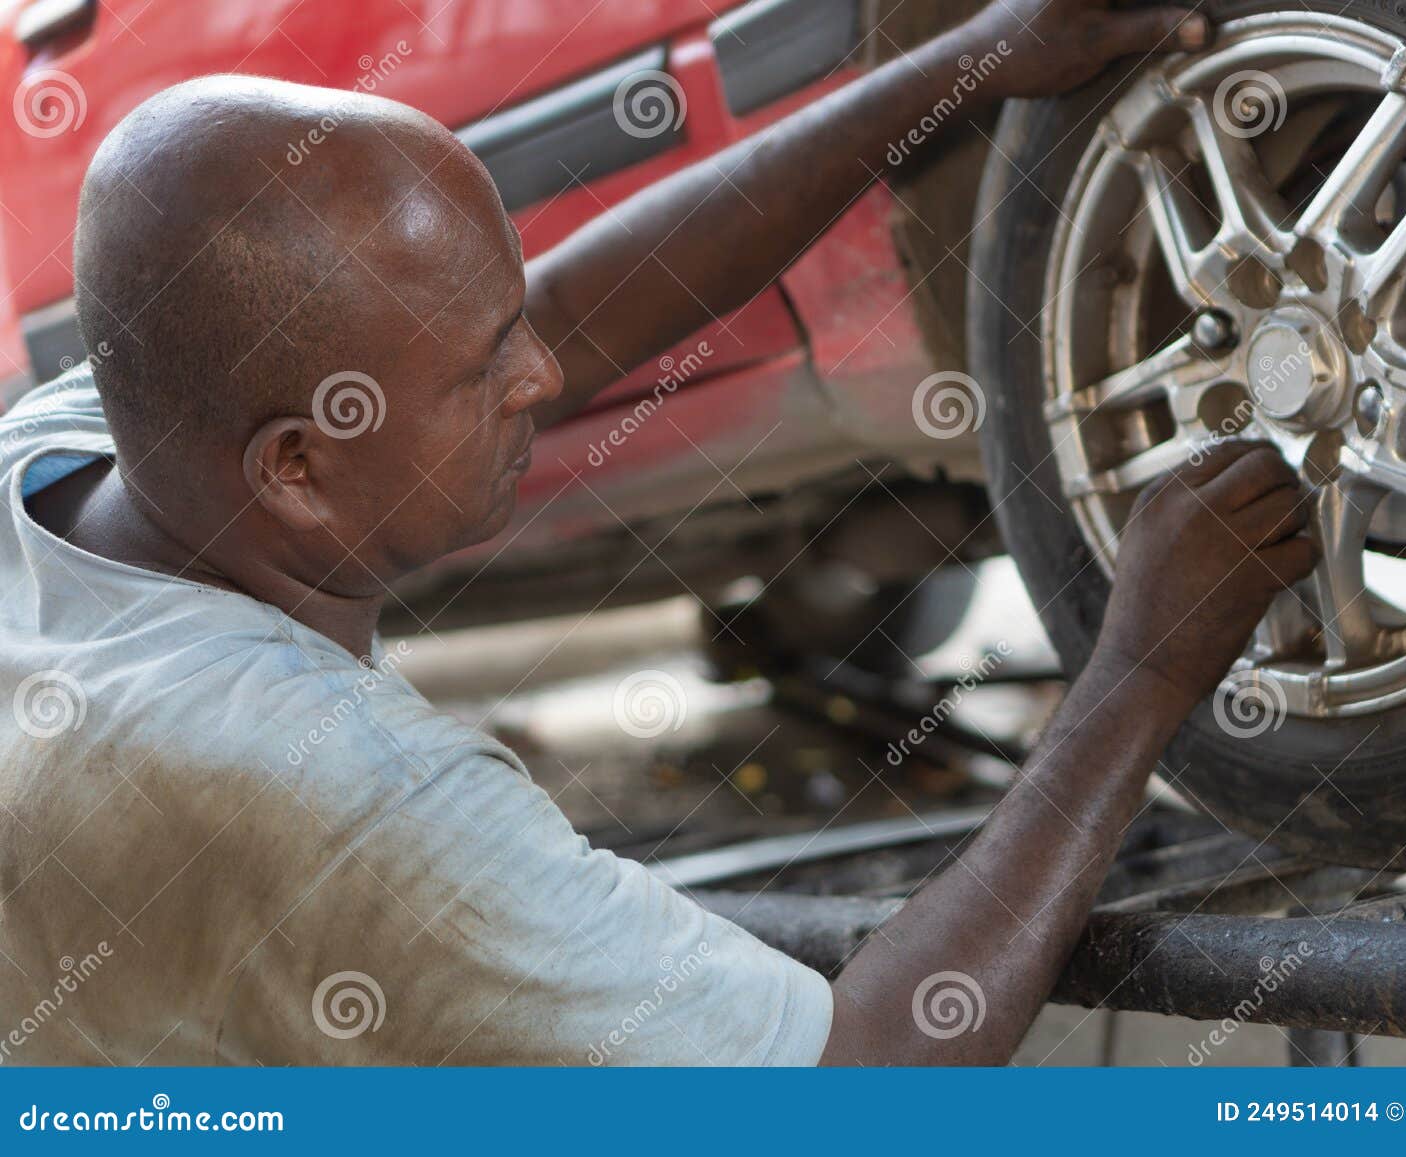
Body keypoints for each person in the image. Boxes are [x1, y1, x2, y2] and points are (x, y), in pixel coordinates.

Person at [0, 0, 1313, 1065]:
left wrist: (962, 64)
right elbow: (862, 1073)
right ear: (294, 464)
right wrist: (1137, 674)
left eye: (508, 318)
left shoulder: (80, 441)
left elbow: (578, 316)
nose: (538, 376)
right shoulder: (333, 799)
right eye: (482, 369)